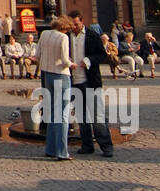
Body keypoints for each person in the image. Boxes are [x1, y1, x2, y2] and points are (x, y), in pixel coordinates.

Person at [73, 14, 114, 158]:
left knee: (97, 116)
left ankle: (106, 146)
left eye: (76, 24)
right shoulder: (67, 37)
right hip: (75, 82)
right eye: (72, 25)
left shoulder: (92, 35)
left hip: (91, 81)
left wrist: (89, 60)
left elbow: (102, 55)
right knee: (82, 117)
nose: (74, 27)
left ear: (82, 22)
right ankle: (87, 145)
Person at [37, 15, 75, 160]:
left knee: (52, 112)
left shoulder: (44, 34)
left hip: (46, 74)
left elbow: (37, 54)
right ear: (65, 27)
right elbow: (65, 60)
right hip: (60, 75)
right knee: (63, 114)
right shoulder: (63, 38)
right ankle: (62, 151)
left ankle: (51, 149)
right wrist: (72, 64)